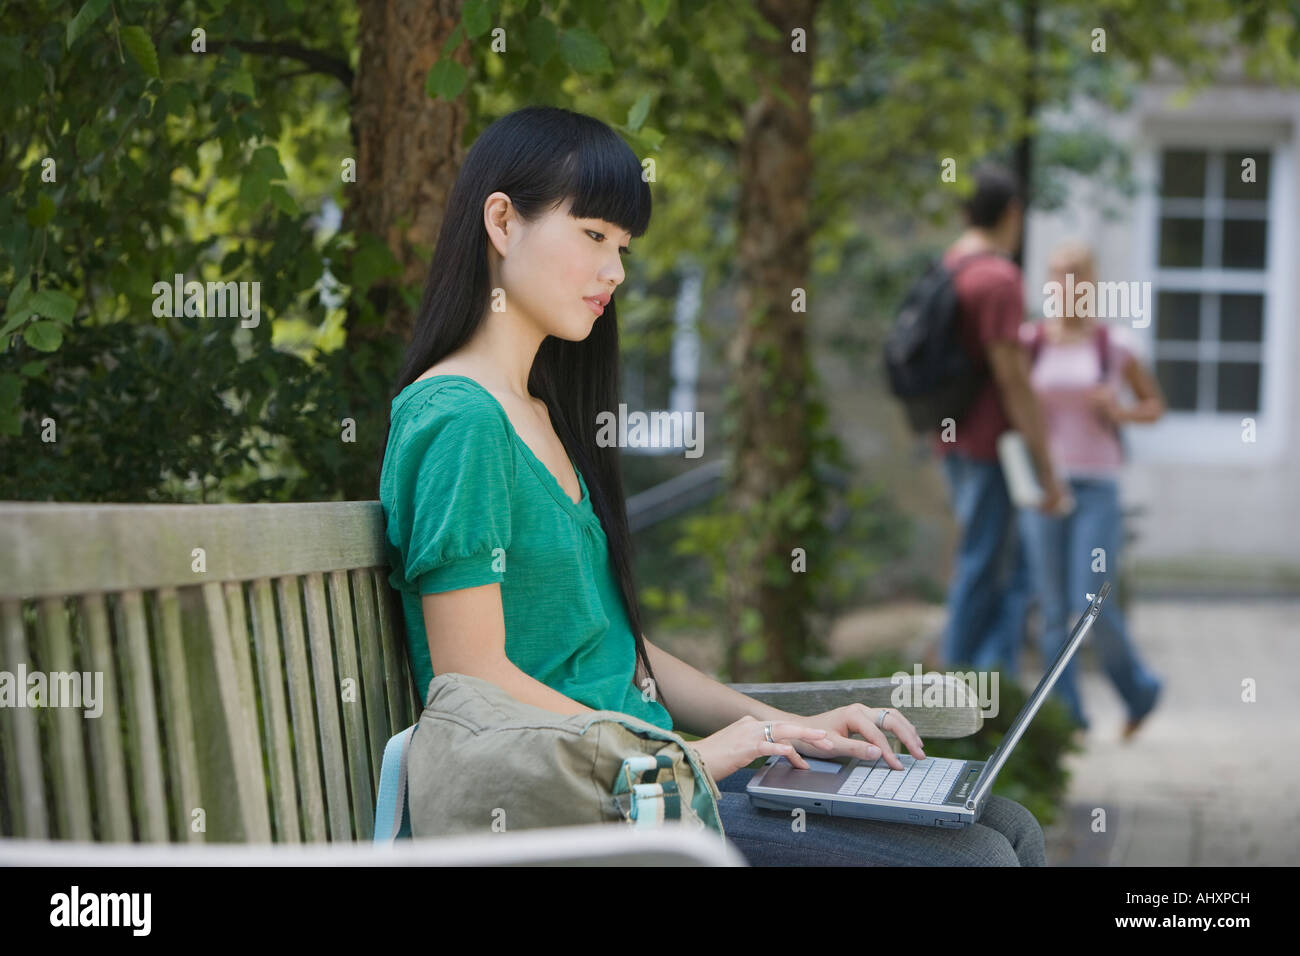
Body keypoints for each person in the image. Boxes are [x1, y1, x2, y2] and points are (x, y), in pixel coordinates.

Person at [378, 106, 1045, 865]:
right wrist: (694, 753)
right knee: (975, 858)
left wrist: (789, 728)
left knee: (1005, 825)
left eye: (622, 246)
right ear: (502, 222)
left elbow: (627, 655)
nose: (615, 272)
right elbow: (474, 676)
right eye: (594, 235)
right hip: (578, 807)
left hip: (648, 779)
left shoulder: (536, 413)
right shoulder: (459, 418)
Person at [1016, 240, 1165, 740]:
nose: (1067, 283)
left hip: (1097, 485)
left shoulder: (1114, 345)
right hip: (1045, 487)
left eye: (1077, 273)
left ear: (1093, 281)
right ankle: (1068, 722)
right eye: (1058, 273)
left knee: (1092, 602)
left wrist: (1119, 409)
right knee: (1053, 610)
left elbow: (1153, 406)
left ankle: (1139, 691)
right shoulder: (1029, 341)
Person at [933, 166, 1067, 675]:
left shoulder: (951, 266)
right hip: (995, 449)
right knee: (988, 565)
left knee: (988, 562)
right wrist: (1047, 467)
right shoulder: (998, 277)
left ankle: (986, 685)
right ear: (1012, 213)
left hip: (953, 439)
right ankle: (959, 692)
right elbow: (1014, 380)